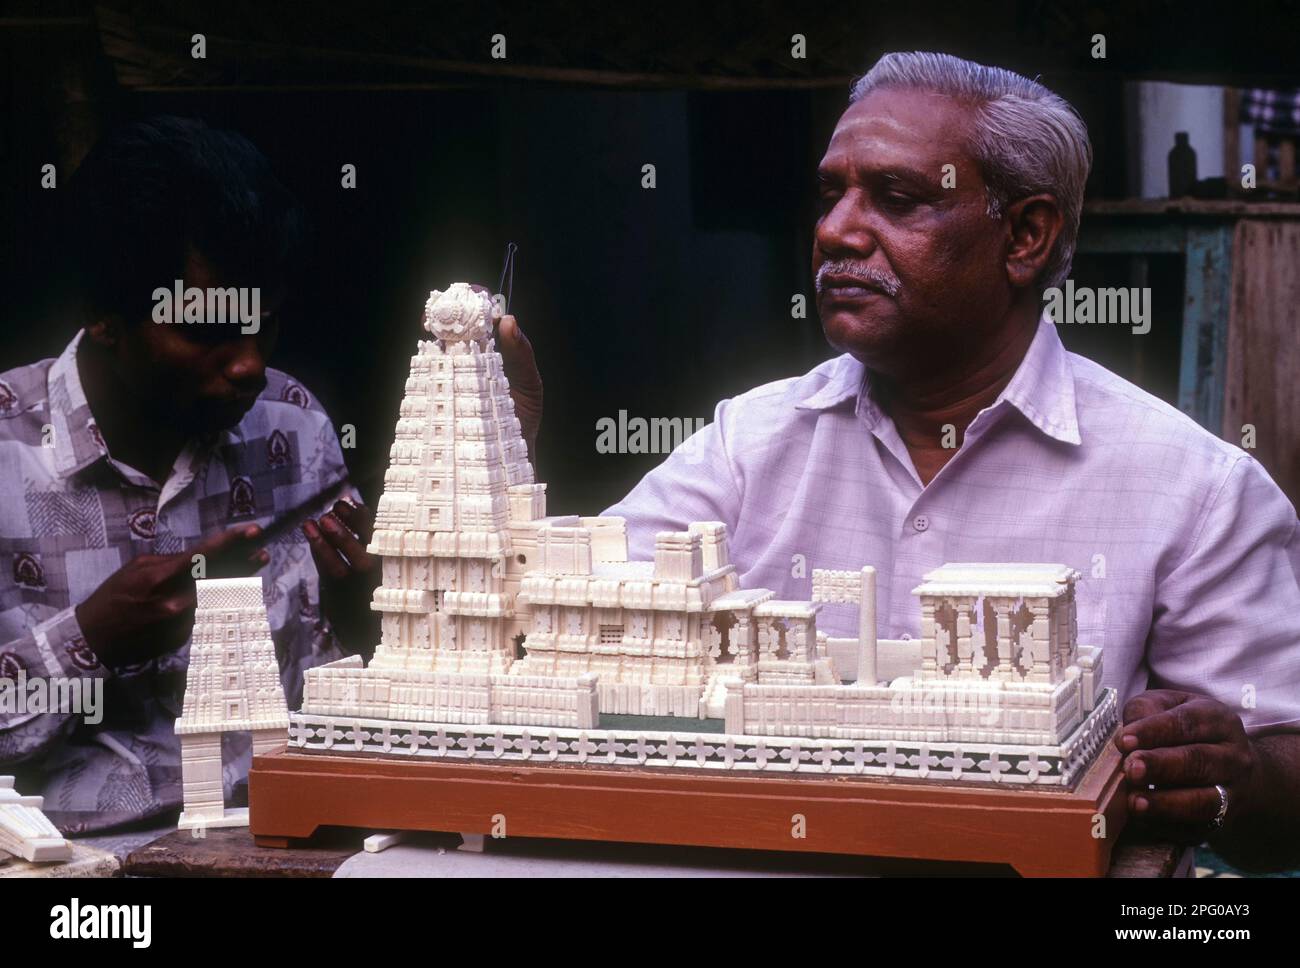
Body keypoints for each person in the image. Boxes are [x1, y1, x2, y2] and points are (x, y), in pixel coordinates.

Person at [500, 52, 1300, 871]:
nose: (836, 231)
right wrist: (504, 459)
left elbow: (1286, 773)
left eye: (897, 198)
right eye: (831, 194)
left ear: (1025, 235)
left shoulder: (1195, 489)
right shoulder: (751, 444)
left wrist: (1227, 775)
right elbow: (557, 619)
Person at [0, 116, 394, 832]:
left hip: (288, 843)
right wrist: (88, 640)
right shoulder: (7, 453)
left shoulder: (292, 424)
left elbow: (346, 704)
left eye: (263, 323)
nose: (248, 364)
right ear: (105, 317)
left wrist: (369, 620)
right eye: (206, 330)